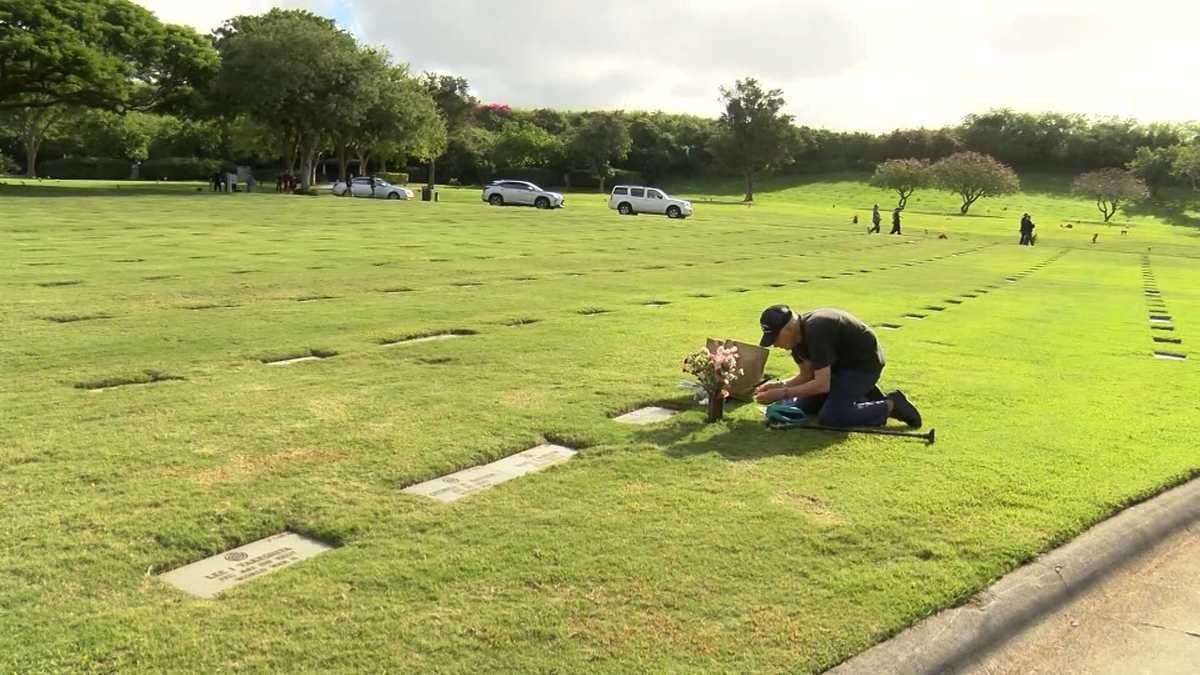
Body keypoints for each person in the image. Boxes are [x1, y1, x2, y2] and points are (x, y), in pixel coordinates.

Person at [753, 305, 922, 428]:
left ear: (788, 329)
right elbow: (806, 376)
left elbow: (821, 385)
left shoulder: (816, 331)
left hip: (862, 366)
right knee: (805, 407)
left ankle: (892, 405)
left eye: (775, 338)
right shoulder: (796, 338)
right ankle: (863, 396)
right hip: (838, 368)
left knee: (832, 417)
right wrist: (779, 385)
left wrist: (783, 393)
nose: (774, 344)